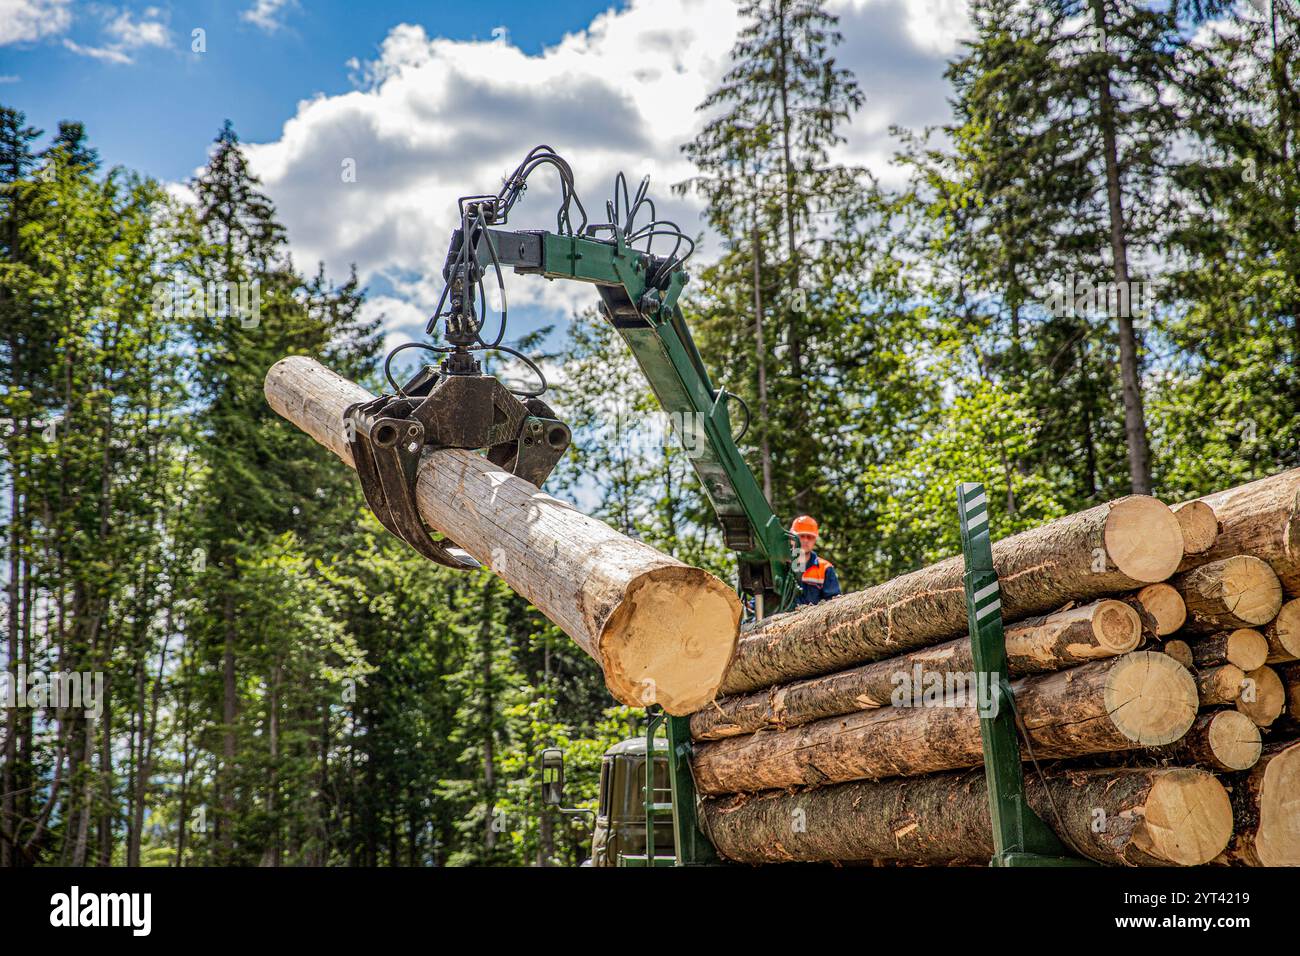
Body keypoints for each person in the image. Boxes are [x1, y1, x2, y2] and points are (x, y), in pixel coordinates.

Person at [790, 515, 840, 606]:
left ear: (815, 540)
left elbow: (834, 602)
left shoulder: (825, 569)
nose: (805, 540)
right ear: (792, 538)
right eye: (801, 536)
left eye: (809, 537)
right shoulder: (780, 564)